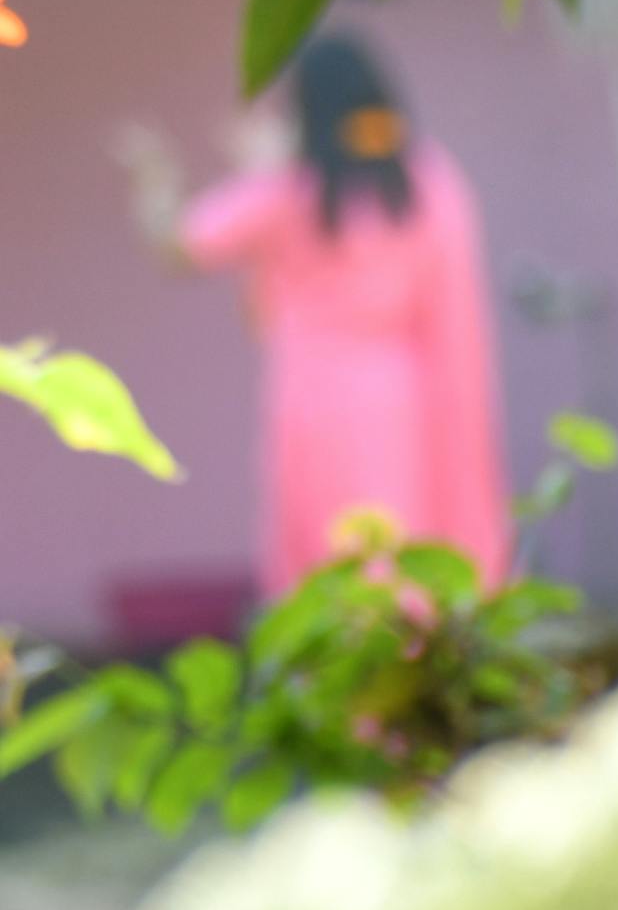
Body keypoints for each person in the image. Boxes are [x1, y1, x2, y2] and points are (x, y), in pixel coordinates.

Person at [128, 32, 511, 595]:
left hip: (312, 397)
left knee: (329, 557)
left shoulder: (287, 187)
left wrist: (153, 177)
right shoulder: (430, 182)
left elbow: (179, 248)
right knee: (403, 545)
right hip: (406, 395)